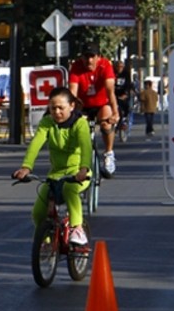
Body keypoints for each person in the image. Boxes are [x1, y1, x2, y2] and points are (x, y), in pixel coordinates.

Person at [11, 87, 92, 246]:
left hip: (78, 173)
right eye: (53, 108)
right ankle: (47, 243)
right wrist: (26, 167)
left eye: (61, 108)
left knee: (69, 189)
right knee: (38, 212)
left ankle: (77, 229)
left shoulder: (80, 123)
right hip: (55, 174)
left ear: (71, 106)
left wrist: (84, 168)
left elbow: (86, 146)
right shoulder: (47, 122)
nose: (57, 112)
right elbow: (35, 144)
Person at [68, 42, 119, 176]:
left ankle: (109, 154)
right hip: (82, 105)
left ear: (98, 57)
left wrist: (115, 112)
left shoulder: (105, 65)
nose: (89, 60)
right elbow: (72, 91)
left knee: (106, 123)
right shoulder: (76, 66)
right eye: (86, 57)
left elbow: (110, 90)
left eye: (92, 56)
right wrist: (70, 112)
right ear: (81, 57)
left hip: (102, 104)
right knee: (75, 125)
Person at [112, 59, 133, 141]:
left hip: (123, 94)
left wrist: (126, 93)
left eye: (121, 67)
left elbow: (128, 84)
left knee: (125, 107)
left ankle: (124, 120)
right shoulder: (113, 73)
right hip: (114, 94)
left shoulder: (126, 74)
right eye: (118, 67)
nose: (119, 68)